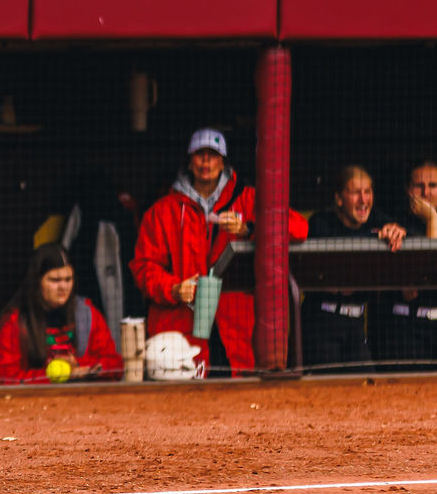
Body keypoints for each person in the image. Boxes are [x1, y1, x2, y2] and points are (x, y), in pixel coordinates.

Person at [130, 128, 308, 377]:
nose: (206, 161)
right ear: (189, 161)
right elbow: (143, 267)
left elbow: (298, 227)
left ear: (223, 161)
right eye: (199, 154)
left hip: (234, 321)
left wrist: (249, 229)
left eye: (212, 155)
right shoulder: (163, 210)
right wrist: (173, 288)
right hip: (181, 320)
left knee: (239, 395)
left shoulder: (248, 199)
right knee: (182, 399)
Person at [302, 164, 406, 370]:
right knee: (327, 391)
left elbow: (407, 235)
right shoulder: (321, 222)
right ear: (339, 199)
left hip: (356, 324)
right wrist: (375, 237)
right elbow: (339, 248)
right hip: (321, 322)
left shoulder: (376, 219)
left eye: (367, 192)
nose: (363, 199)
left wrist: (396, 230)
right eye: (355, 192)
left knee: (366, 385)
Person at [0, 242, 123, 384]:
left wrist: (79, 365)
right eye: (55, 280)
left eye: (68, 279)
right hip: (32, 402)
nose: (63, 287)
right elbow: (3, 377)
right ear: (37, 282)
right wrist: (50, 376)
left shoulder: (87, 314)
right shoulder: (15, 321)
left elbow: (115, 366)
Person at [373, 160, 437, 367]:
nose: (426, 192)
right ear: (408, 190)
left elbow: (434, 271)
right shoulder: (395, 223)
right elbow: (424, 274)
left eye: (433, 185)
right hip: (406, 327)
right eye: (419, 186)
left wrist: (432, 219)